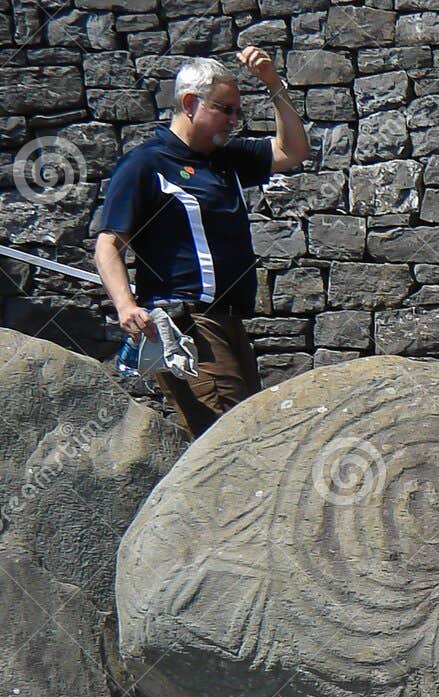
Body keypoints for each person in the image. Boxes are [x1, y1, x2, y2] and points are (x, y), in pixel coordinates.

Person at [94, 51, 310, 436]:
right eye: (224, 110)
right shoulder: (146, 164)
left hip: (228, 320)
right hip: (188, 323)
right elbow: (108, 245)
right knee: (231, 438)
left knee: (245, 432)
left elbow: (292, 150)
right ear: (190, 104)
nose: (232, 121)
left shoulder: (225, 159)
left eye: (236, 112)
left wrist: (273, 83)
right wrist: (126, 305)